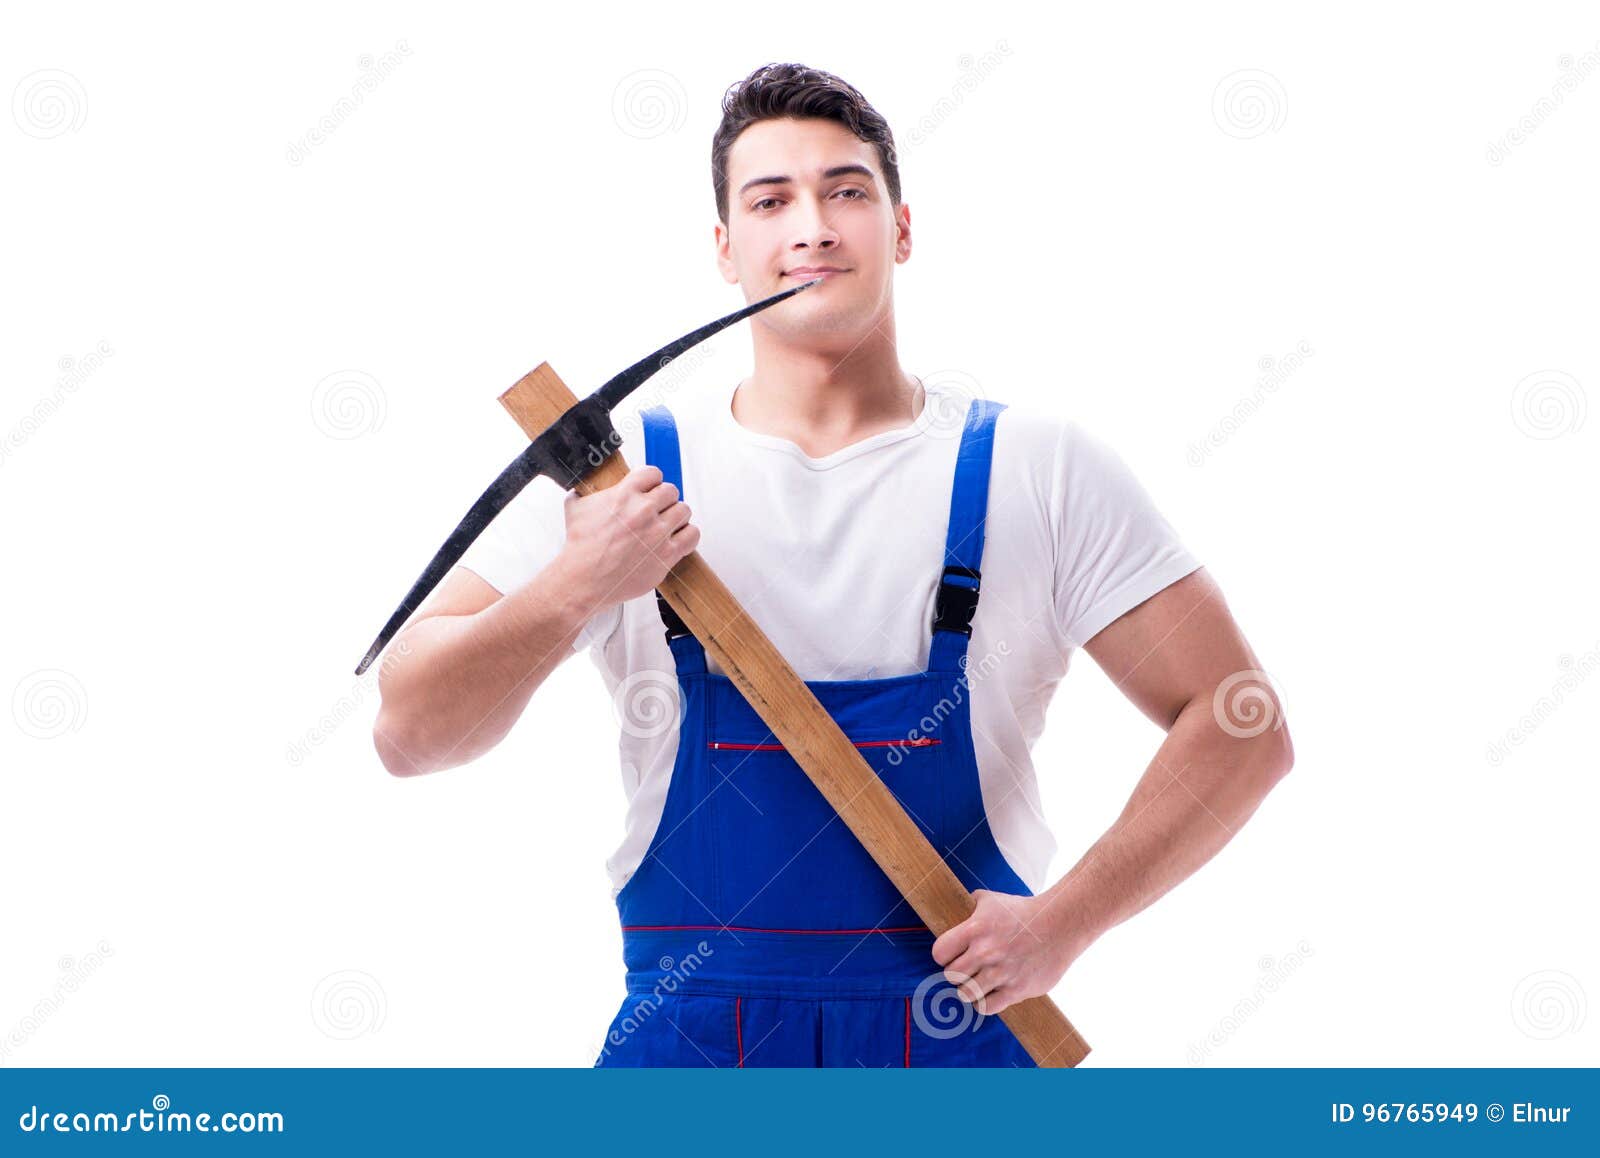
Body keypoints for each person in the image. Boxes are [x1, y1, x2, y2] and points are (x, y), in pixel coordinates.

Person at [371, 62, 1294, 1067]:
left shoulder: (1039, 469)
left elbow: (1240, 722)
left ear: (902, 229)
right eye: (770, 201)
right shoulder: (619, 487)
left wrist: (1064, 922)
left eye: (845, 191)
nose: (811, 227)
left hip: (960, 1039)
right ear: (726, 249)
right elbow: (408, 733)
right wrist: (573, 587)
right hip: (692, 1053)